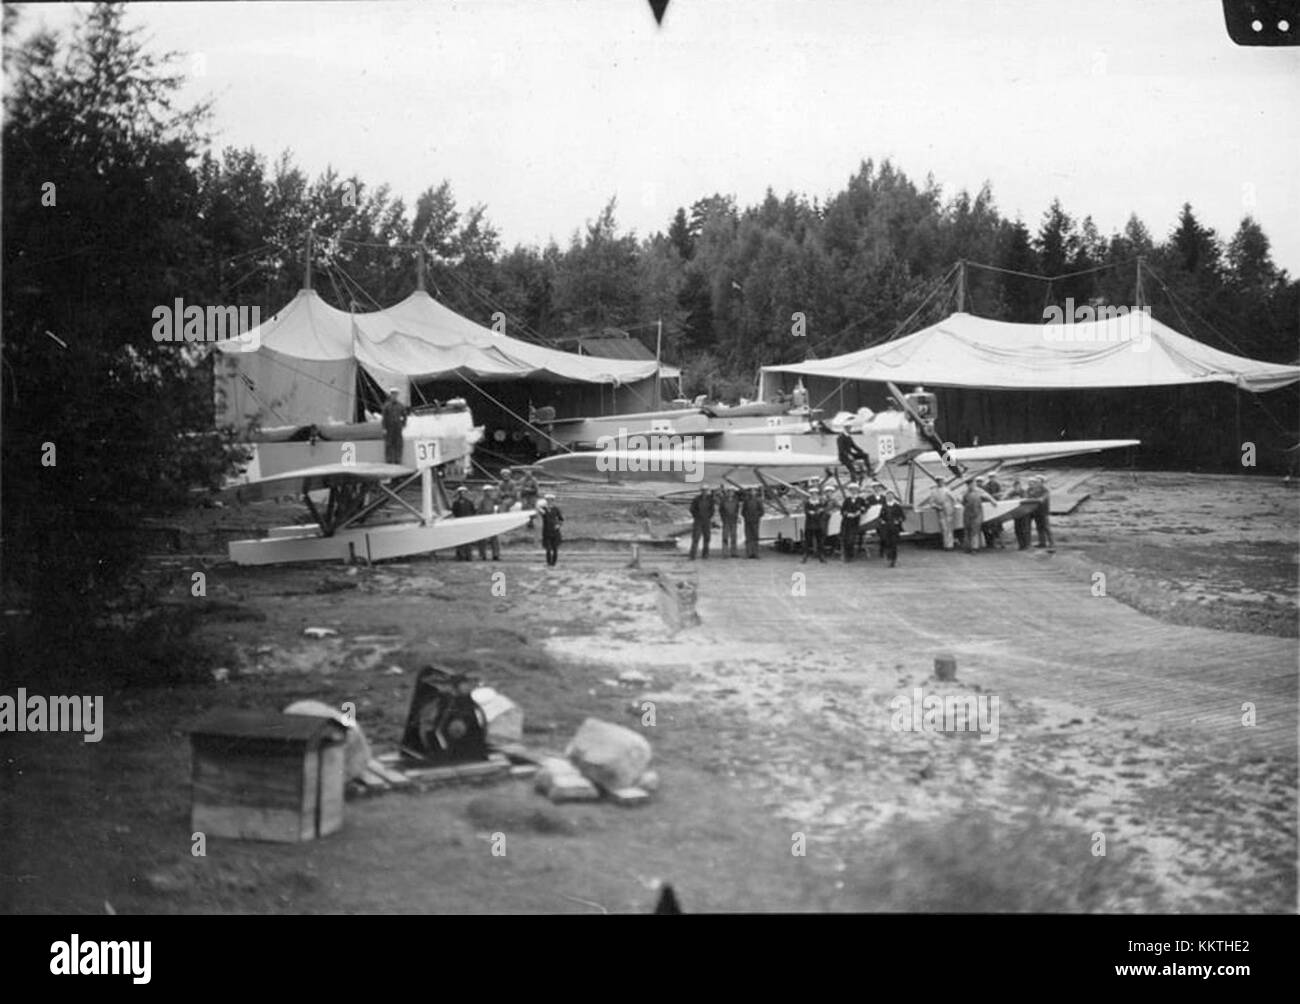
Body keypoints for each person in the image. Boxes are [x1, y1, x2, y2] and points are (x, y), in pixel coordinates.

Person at [918, 482, 957, 551]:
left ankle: (949, 545)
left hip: (947, 509)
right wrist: (937, 506)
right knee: (944, 527)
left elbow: (954, 499)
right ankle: (947, 545)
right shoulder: (935, 492)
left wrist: (952, 506)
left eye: (940, 481)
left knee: (948, 527)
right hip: (942, 510)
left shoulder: (946, 491)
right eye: (939, 481)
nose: (940, 483)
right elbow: (931, 502)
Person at [961, 480, 996, 554]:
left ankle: (974, 548)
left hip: (977, 513)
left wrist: (993, 501)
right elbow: (963, 502)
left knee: (975, 530)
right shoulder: (965, 492)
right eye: (969, 484)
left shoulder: (979, 491)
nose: (970, 486)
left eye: (971, 484)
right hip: (967, 513)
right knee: (967, 530)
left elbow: (987, 496)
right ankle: (968, 547)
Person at [839, 484, 869, 562]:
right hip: (846, 521)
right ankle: (846, 555)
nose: (853, 491)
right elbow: (842, 511)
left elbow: (866, 507)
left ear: (857, 490)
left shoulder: (861, 500)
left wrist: (860, 512)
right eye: (852, 490)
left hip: (855, 522)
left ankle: (850, 555)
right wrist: (847, 514)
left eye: (855, 490)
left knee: (851, 539)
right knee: (845, 538)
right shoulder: (847, 500)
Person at [877, 490, 906, 567]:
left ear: (893, 497)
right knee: (887, 543)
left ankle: (893, 560)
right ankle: (889, 558)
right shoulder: (884, 506)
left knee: (894, 544)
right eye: (888, 496)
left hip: (894, 528)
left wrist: (898, 521)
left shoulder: (897, 506)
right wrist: (882, 521)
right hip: (886, 528)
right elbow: (880, 517)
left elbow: (903, 517)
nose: (889, 497)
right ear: (886, 497)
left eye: (891, 495)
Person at [1026, 475, 1055, 550]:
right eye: (1036, 481)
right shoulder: (1034, 489)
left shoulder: (1045, 490)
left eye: (1038, 481)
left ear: (1042, 482)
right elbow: (1029, 497)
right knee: (1039, 528)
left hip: (1044, 511)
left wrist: (1036, 499)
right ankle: (1042, 543)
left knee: (1046, 527)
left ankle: (1051, 543)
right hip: (1036, 511)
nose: (1036, 483)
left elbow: (1042, 499)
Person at [381, 387, 408, 465]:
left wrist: (403, 424)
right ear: (391, 395)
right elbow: (384, 418)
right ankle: (389, 460)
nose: (394, 396)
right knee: (389, 444)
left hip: (397, 427)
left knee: (398, 444)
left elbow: (405, 415)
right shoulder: (386, 406)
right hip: (389, 427)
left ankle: (398, 460)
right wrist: (384, 428)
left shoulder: (400, 406)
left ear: (397, 395)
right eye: (393, 394)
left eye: (395, 394)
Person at [801, 487, 828, 564]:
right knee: (807, 541)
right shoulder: (807, 503)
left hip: (818, 525)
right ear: (810, 495)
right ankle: (805, 556)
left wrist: (814, 513)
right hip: (809, 525)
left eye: (815, 494)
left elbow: (822, 512)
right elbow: (806, 511)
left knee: (820, 542)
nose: (814, 496)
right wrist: (812, 513)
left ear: (817, 495)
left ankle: (821, 556)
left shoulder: (820, 503)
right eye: (812, 494)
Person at [862, 481, 889, 558]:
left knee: (884, 536)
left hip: (881, 519)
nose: (877, 489)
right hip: (872, 520)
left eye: (878, 487)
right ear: (873, 489)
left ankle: (882, 551)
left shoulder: (884, 498)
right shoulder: (869, 498)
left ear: (880, 488)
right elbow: (866, 507)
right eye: (875, 488)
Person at [978, 477, 1006, 550]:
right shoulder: (977, 490)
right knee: (985, 529)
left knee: (997, 529)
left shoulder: (985, 489)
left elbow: (990, 498)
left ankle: (1000, 544)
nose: (979, 483)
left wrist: (993, 499)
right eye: (978, 482)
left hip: (992, 511)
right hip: (982, 512)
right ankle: (989, 544)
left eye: (980, 481)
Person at [450, 485, 477, 560]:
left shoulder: (469, 502)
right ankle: (460, 556)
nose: (463, 493)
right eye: (461, 492)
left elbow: (473, 512)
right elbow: (454, 512)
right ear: (459, 493)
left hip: (468, 523)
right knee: (459, 540)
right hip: (459, 523)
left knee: (468, 540)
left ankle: (468, 556)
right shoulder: (456, 503)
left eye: (464, 492)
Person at [688, 486, 715, 560]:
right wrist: (696, 516)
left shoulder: (710, 500)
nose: (704, 492)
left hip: (707, 520)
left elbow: (712, 510)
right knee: (696, 538)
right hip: (698, 521)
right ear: (701, 491)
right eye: (703, 490)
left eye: (706, 490)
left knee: (707, 538)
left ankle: (705, 554)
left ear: (707, 491)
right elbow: (692, 509)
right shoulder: (696, 499)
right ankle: (692, 555)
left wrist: (708, 516)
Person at [476, 484, 501, 561]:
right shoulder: (480, 500)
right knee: (482, 539)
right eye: (488, 491)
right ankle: (482, 555)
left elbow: (499, 505)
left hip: (492, 521)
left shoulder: (493, 500)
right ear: (484, 492)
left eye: (491, 491)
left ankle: (496, 555)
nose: (490, 492)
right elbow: (478, 511)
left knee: (494, 539)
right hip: (483, 521)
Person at [539, 492, 564, 566]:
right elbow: (539, 512)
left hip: (555, 531)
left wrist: (558, 525)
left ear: (553, 501)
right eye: (547, 500)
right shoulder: (543, 509)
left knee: (555, 549)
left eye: (551, 500)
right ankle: (549, 563)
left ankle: (554, 563)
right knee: (548, 549)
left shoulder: (556, 509)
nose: (549, 501)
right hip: (546, 531)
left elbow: (561, 519)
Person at [1008, 477, 1033, 550]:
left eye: (1018, 486)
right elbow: (1006, 498)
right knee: (1017, 529)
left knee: (1024, 529)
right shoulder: (1012, 493)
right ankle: (1021, 545)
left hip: (1024, 513)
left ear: (1020, 486)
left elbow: (1025, 499)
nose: (1016, 488)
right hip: (1016, 514)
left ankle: (1026, 545)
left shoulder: (1023, 492)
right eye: (1015, 486)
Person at [741, 487, 765, 559]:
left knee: (755, 537)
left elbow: (762, 511)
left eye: (753, 491)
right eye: (751, 491)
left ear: (756, 492)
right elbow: (743, 511)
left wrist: (756, 516)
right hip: (747, 521)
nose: (752, 492)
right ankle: (748, 553)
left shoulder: (758, 500)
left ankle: (755, 553)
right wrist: (746, 517)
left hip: (755, 522)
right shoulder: (746, 500)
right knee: (748, 537)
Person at [718, 487, 741, 558]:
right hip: (726, 521)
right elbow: (720, 510)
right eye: (729, 492)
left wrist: (737, 517)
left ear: (733, 493)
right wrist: (723, 518)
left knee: (734, 537)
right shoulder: (723, 501)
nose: (731, 493)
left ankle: (734, 552)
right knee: (725, 537)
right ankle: (725, 553)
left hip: (733, 521)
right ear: (727, 493)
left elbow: (737, 510)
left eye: (732, 492)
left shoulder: (735, 500)